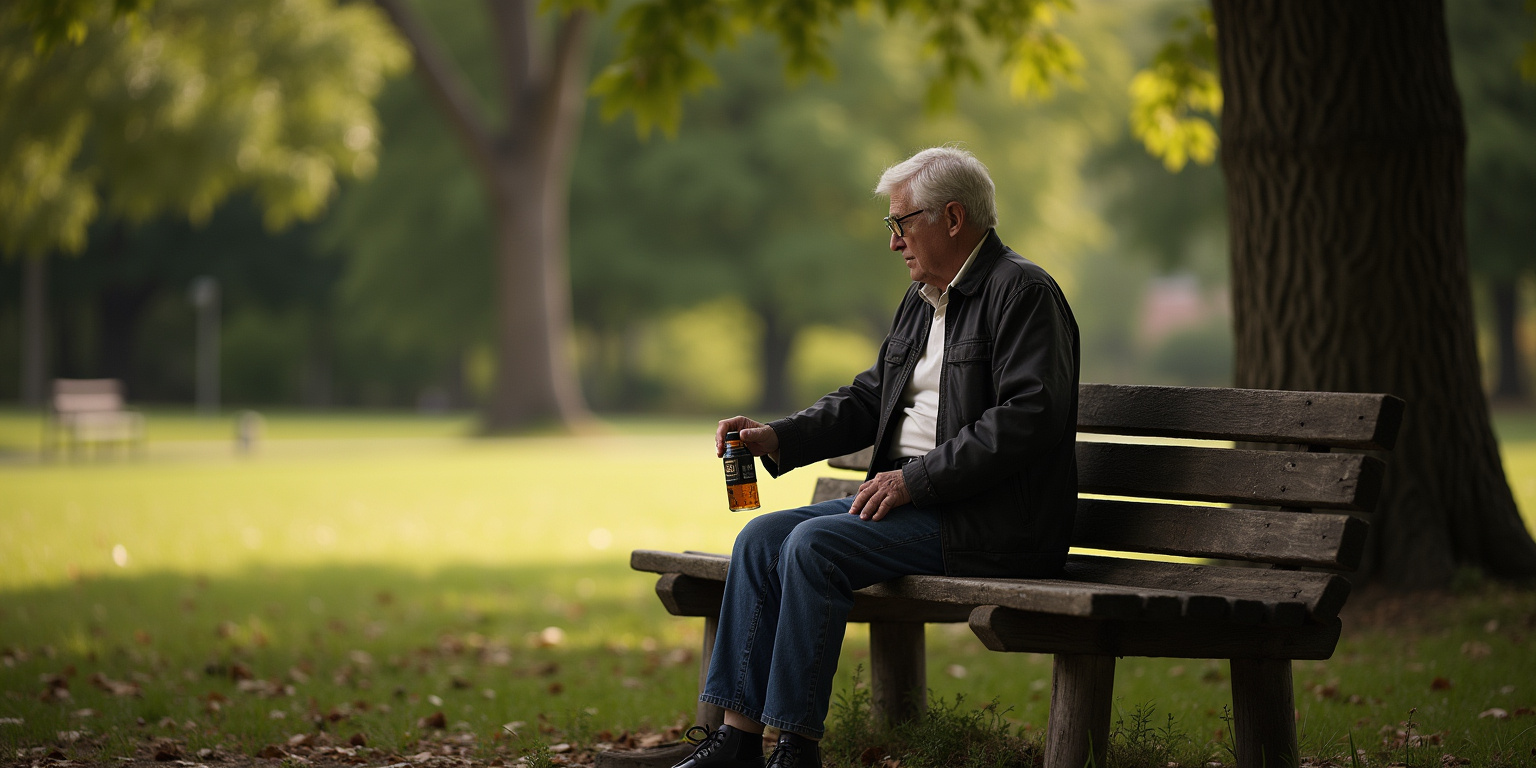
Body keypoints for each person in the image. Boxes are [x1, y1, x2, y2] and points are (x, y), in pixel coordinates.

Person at [675, 146, 1080, 768]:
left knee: (813, 547)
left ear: (951, 217)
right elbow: (871, 397)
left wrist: (917, 478)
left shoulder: (1022, 293)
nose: (894, 243)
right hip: (921, 508)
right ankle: (737, 740)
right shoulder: (924, 301)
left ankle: (796, 746)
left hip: (993, 520)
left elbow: (1027, 417)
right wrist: (780, 437)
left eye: (902, 223)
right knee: (760, 538)